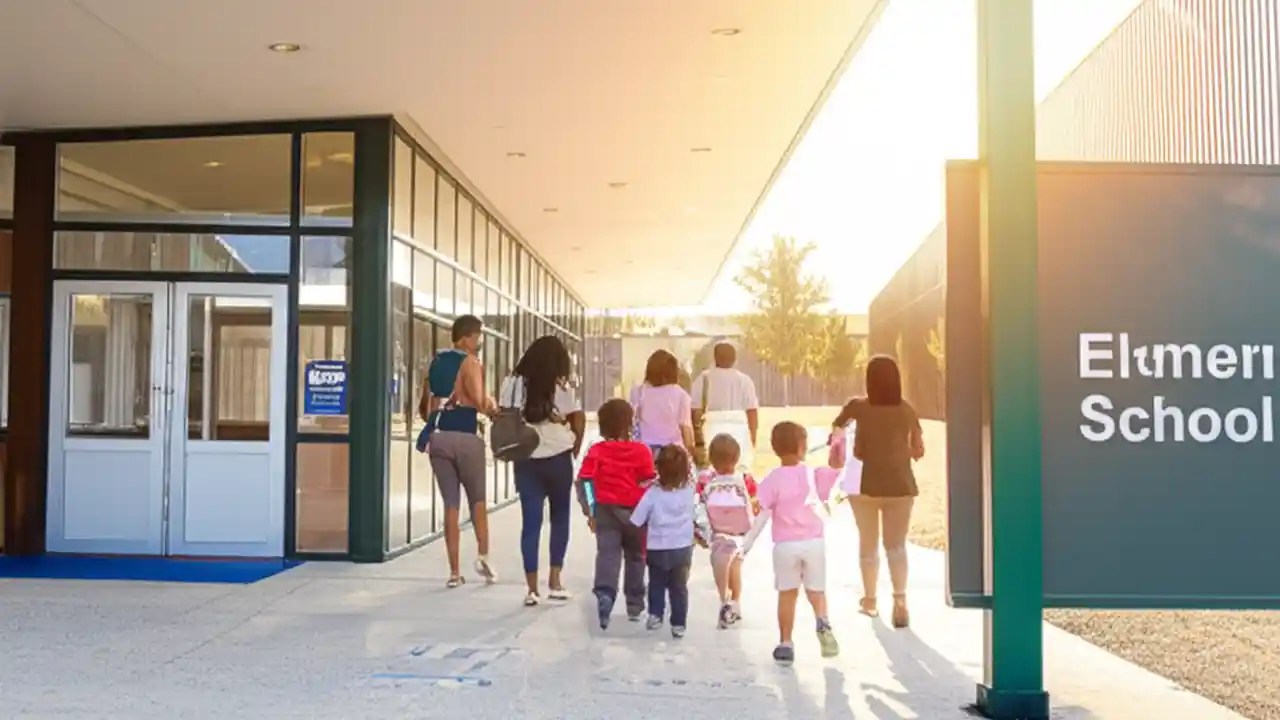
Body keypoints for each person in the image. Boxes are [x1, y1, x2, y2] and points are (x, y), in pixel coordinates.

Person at [830, 355, 924, 628]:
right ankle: (900, 600)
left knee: (868, 543)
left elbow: (836, 432)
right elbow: (918, 451)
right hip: (900, 485)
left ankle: (870, 599)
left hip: (863, 484)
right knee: (896, 546)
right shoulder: (906, 410)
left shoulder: (856, 407)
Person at [742, 422, 840, 665]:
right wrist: (837, 443)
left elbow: (762, 515)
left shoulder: (772, 479)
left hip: (785, 547)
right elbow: (838, 467)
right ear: (801, 446)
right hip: (814, 543)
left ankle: (786, 642)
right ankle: (823, 621)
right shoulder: (814, 474)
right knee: (816, 591)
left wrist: (745, 545)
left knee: (787, 594)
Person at [499, 336, 586, 607]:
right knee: (560, 519)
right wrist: (574, 448)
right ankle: (555, 580)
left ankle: (531, 589)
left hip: (526, 459)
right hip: (558, 458)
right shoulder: (562, 387)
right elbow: (577, 419)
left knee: (531, 522)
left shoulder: (511, 384)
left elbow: (504, 416)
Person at [421, 315, 498, 589]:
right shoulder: (470, 362)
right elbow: (478, 400)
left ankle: (454, 572)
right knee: (477, 499)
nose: (478, 342)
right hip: (466, 436)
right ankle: (483, 556)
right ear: (467, 337)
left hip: (439, 438)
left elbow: (424, 407)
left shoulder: (436, 362)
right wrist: (493, 406)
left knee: (451, 504)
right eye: (477, 337)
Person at [576, 398, 655, 629]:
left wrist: (590, 510)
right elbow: (648, 482)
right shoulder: (642, 451)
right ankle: (634, 604)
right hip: (636, 514)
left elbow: (585, 481)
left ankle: (605, 594)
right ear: (630, 423)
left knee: (607, 553)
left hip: (606, 511)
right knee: (636, 557)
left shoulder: (597, 451)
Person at [631, 444, 697, 639]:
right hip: (682, 547)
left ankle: (655, 614)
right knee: (679, 587)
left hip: (657, 547)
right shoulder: (689, 492)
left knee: (656, 582)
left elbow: (637, 519)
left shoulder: (652, 494)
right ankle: (678, 623)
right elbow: (697, 514)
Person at [694, 433, 759, 629]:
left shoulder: (705, 480)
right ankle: (736, 603)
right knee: (736, 567)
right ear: (736, 458)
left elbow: (697, 502)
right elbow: (754, 499)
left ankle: (724, 600)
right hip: (739, 533)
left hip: (718, 532)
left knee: (720, 567)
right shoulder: (744, 478)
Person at [690, 342, 759, 470]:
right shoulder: (744, 380)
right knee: (740, 468)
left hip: (711, 427)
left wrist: (696, 437)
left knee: (712, 468)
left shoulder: (704, 378)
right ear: (734, 359)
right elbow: (752, 411)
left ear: (715, 357)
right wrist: (752, 436)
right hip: (739, 428)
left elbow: (695, 410)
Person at [630, 350, 694, 453]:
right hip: (674, 451)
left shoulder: (638, 391)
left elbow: (633, 420)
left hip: (646, 450)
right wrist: (690, 450)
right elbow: (685, 427)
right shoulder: (681, 394)